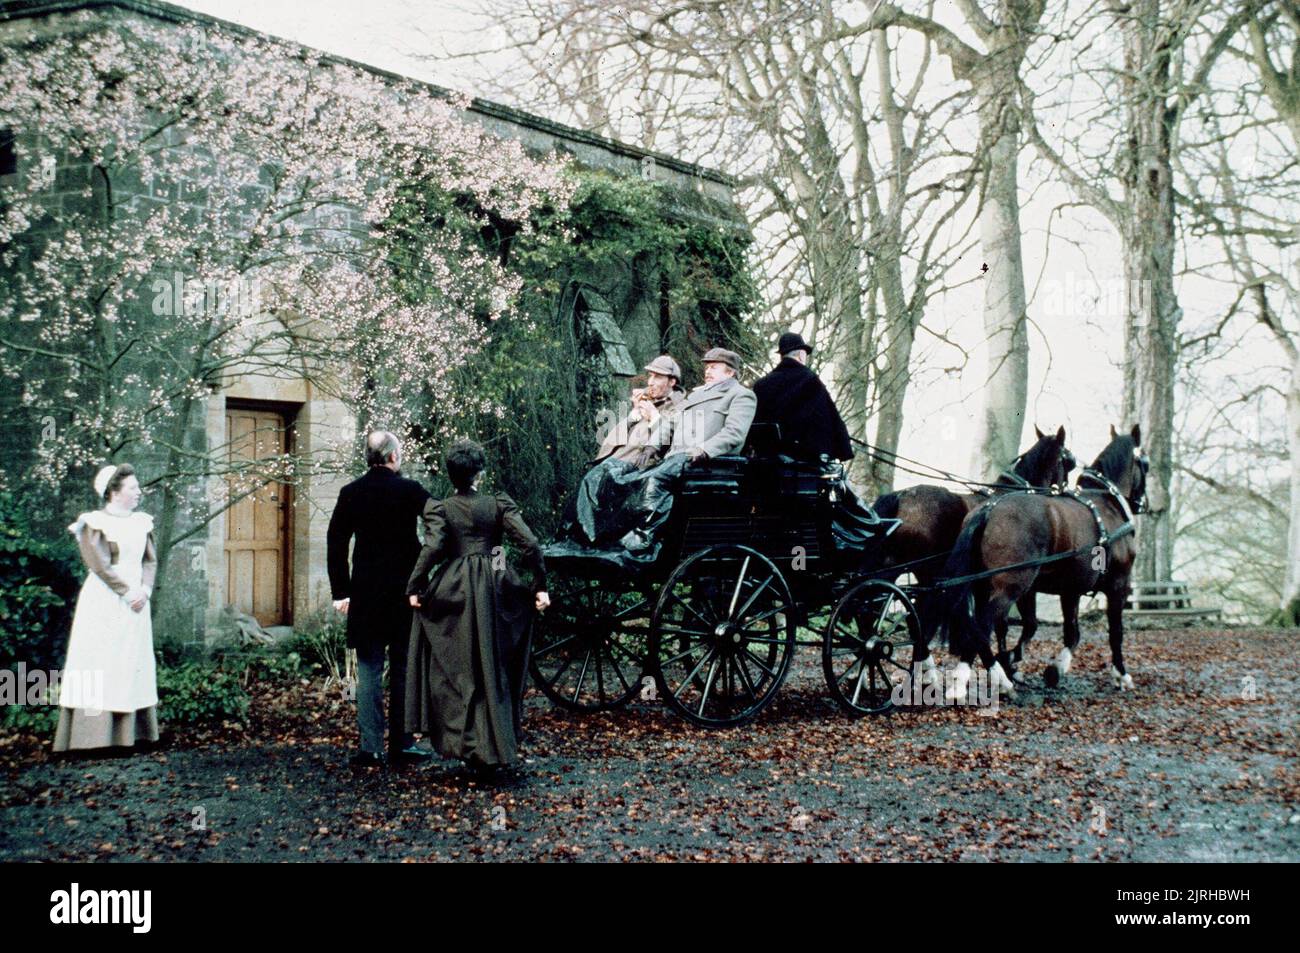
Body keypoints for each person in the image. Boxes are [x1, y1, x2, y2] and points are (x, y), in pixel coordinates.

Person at [404, 440, 549, 775]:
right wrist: (539, 585)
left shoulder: (441, 508)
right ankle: (493, 745)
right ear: (479, 473)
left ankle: (468, 743)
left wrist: (415, 585)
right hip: (497, 582)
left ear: (450, 473)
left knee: (458, 667)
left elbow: (434, 547)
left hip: (455, 586)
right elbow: (529, 542)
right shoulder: (497, 504)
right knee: (493, 664)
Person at [327, 430, 432, 769]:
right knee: (403, 667)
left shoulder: (351, 493)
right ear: (392, 457)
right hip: (406, 593)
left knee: (369, 669)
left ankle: (370, 748)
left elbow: (336, 543)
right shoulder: (411, 490)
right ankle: (402, 745)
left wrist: (341, 592)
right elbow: (441, 522)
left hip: (366, 594)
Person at [54, 464, 160, 755]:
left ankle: (133, 735)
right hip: (105, 600)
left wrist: (144, 591)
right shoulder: (93, 522)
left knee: (130, 660)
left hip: (137, 602)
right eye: (132, 487)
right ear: (114, 492)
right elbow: (98, 564)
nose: (139, 492)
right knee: (100, 661)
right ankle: (93, 737)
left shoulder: (142, 522)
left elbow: (150, 560)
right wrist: (127, 592)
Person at [752, 331, 853, 462]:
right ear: (800, 354)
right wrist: (842, 449)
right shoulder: (810, 380)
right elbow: (827, 418)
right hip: (802, 460)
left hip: (767, 459)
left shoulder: (762, 384)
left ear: (782, 356)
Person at [663, 347, 757, 461]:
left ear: (730, 373)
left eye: (713, 368)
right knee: (639, 477)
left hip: (709, 464)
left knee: (650, 479)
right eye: (707, 368)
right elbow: (671, 422)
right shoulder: (695, 395)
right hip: (675, 458)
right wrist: (652, 447)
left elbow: (734, 433)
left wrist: (703, 450)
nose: (707, 371)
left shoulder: (741, 395)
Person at [594, 355, 685, 468]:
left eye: (657, 377)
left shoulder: (681, 407)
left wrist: (655, 418)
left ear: (672, 382)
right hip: (614, 462)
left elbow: (674, 447)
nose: (650, 382)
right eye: (650, 376)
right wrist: (633, 416)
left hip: (638, 468)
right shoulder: (645, 400)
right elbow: (610, 442)